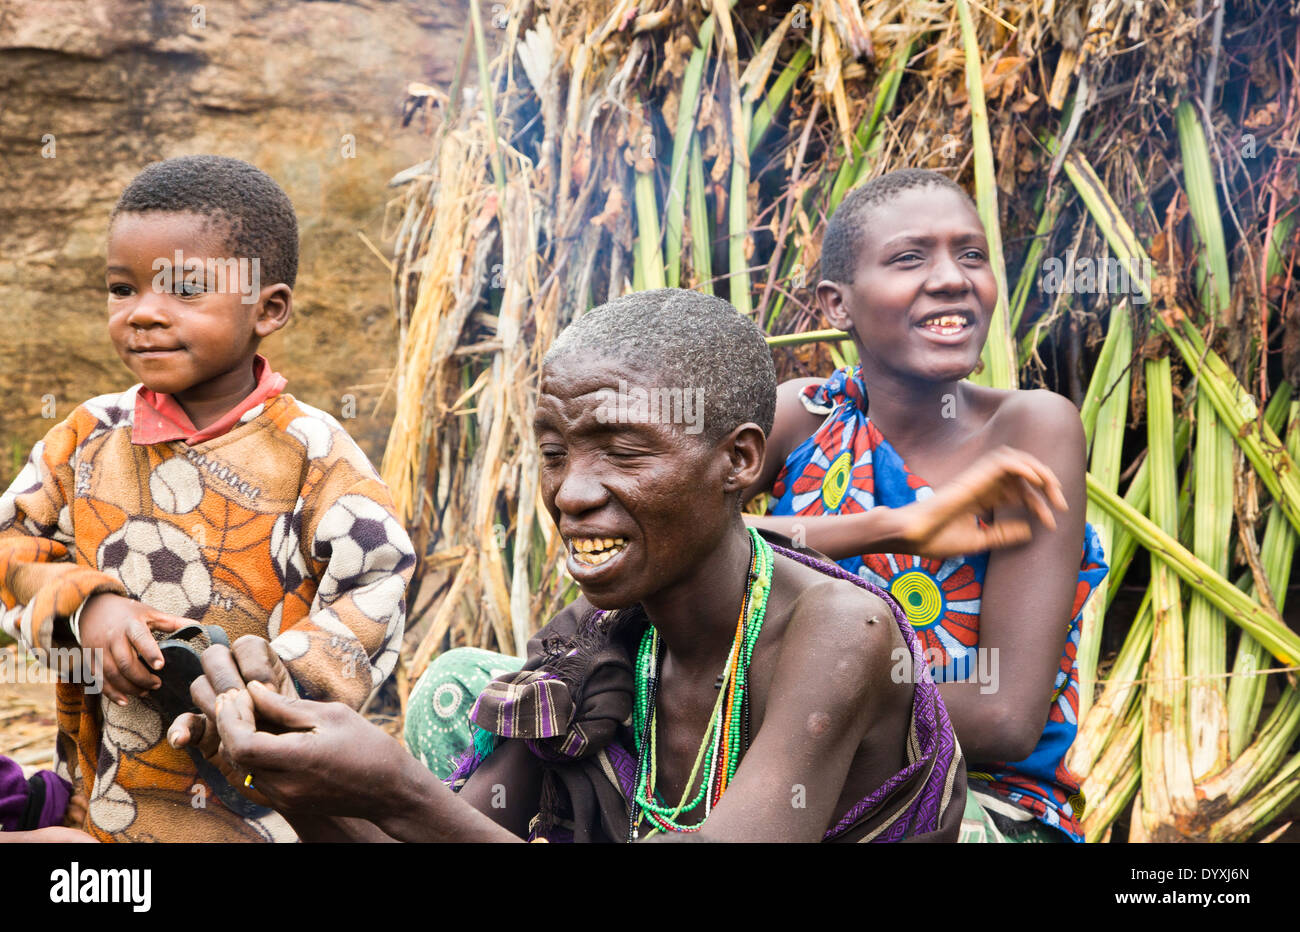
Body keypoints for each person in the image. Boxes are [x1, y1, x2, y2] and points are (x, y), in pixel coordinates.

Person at [175, 289, 981, 842]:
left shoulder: (839, 630)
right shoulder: (589, 643)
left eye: (623, 450)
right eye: (554, 453)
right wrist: (280, 771)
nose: (571, 492)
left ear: (739, 461)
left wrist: (398, 786)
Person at [0, 155, 416, 841]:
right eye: (120, 288)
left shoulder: (313, 452)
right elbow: (11, 549)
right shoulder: (86, 438)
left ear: (268, 308)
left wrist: (276, 681)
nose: (143, 314)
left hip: (269, 809)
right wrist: (86, 604)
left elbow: (376, 583)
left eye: (185, 290)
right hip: (113, 798)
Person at [747, 169, 1108, 842]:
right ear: (837, 303)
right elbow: (664, 539)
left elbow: (1004, 717)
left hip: (976, 806)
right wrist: (895, 527)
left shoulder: (1030, 429)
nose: (951, 278)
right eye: (910, 258)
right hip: (784, 783)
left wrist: (773, 712)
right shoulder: (802, 417)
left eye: (971, 255)